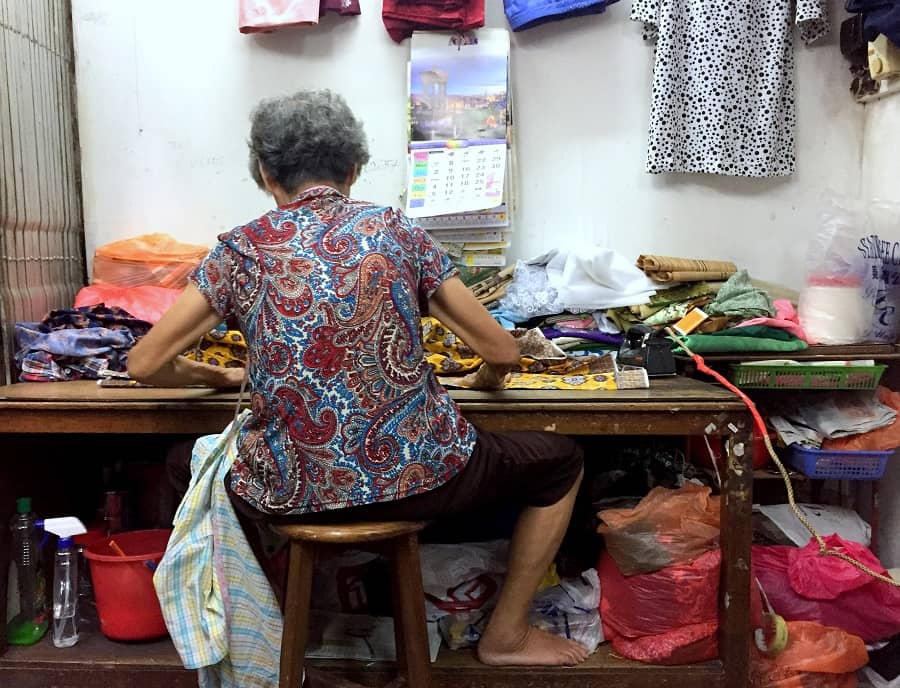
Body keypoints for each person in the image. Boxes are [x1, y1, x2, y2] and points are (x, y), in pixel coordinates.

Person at [128, 89, 587, 667]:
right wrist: (489, 379)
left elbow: (144, 365)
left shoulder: (240, 251)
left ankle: (274, 622)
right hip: (420, 478)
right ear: (353, 169)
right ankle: (506, 635)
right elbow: (501, 348)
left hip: (290, 495)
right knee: (561, 462)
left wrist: (222, 379)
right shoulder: (397, 232)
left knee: (184, 464)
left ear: (266, 175)